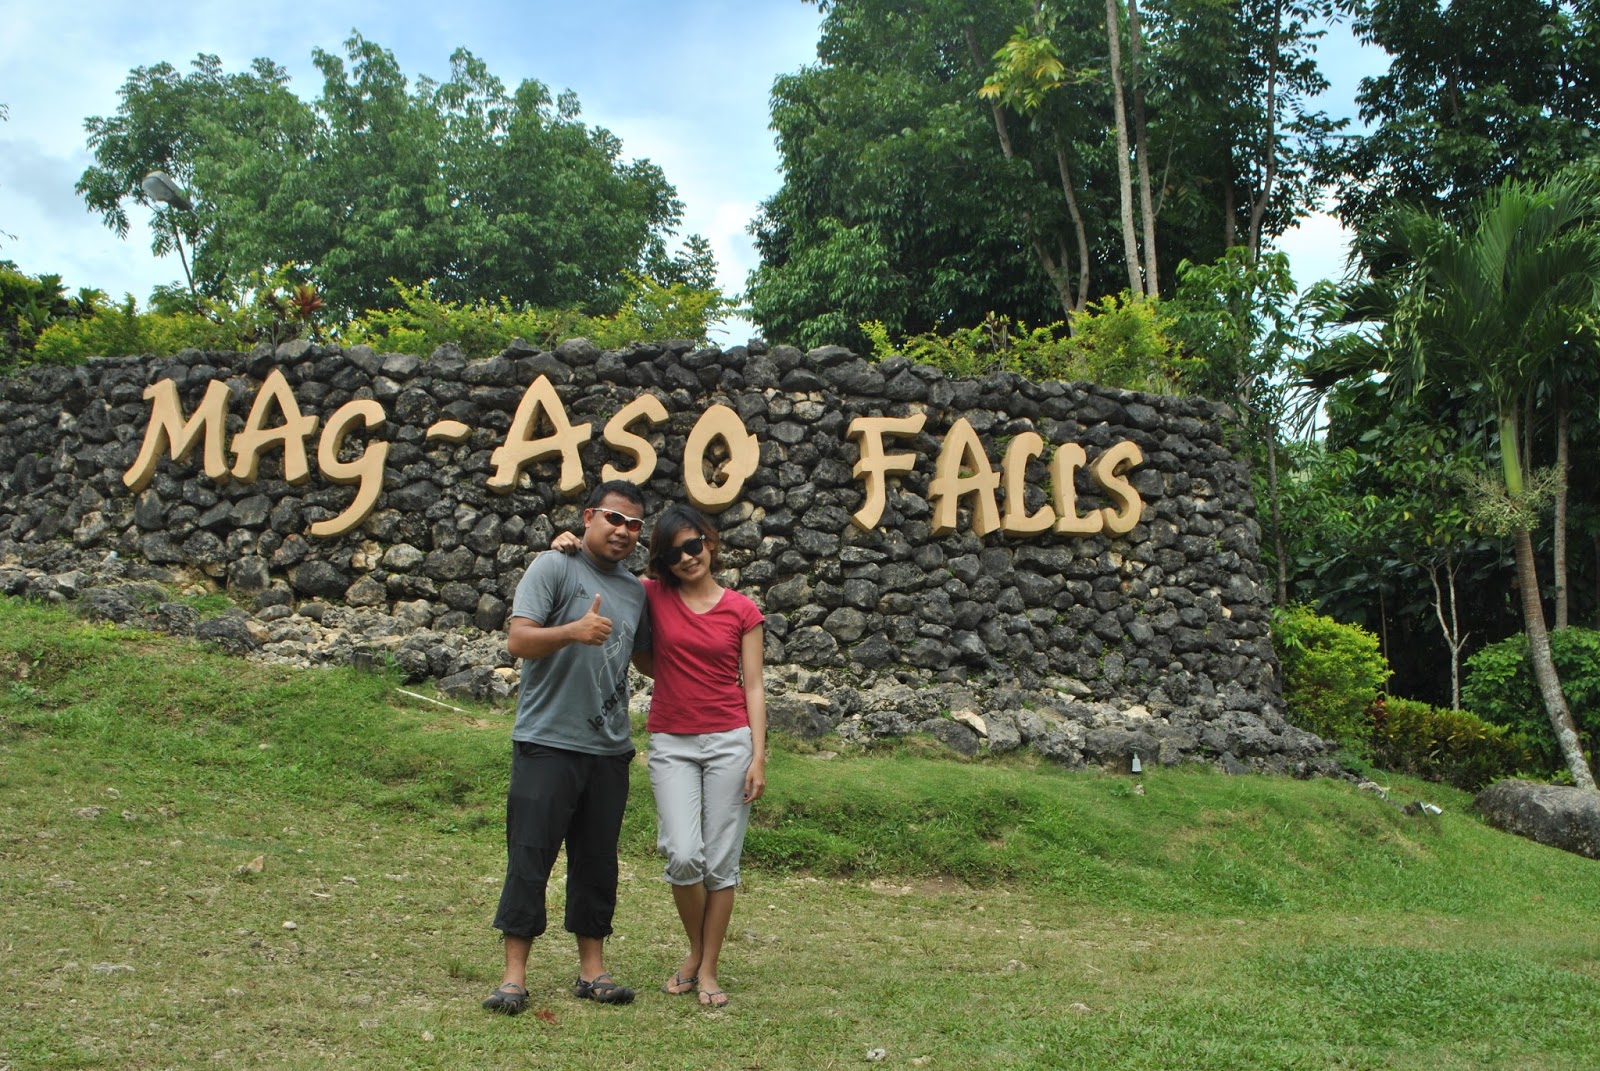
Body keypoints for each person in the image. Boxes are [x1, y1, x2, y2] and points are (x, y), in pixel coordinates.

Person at [554, 504, 767, 1008]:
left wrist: (759, 755)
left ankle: (705, 967)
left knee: (721, 864)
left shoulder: (743, 609)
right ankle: (698, 950)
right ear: (663, 563)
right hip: (672, 740)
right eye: (674, 553)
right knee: (682, 853)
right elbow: (602, 572)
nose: (687, 558)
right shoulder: (650, 594)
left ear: (710, 543)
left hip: (731, 740)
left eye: (694, 545)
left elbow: (755, 686)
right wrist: (564, 547)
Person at [481, 480, 652, 1016]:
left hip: (609, 749)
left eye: (634, 525)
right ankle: (513, 977)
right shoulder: (553, 566)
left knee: (597, 862)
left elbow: (646, 658)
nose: (623, 531)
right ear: (588, 516)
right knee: (530, 855)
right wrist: (574, 630)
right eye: (614, 519)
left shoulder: (635, 590)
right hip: (546, 741)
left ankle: (592, 972)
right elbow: (518, 641)